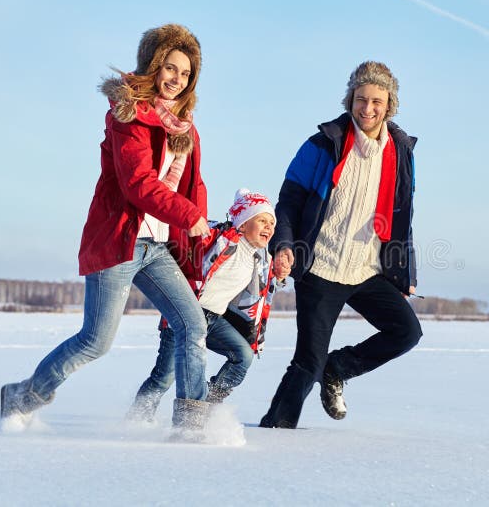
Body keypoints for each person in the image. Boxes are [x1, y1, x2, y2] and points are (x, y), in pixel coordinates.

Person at [0, 24, 213, 439]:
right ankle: (22, 397)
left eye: (185, 73)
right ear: (152, 65)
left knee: (193, 325)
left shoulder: (184, 127)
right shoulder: (128, 115)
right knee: (95, 341)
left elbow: (194, 185)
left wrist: (196, 232)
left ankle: (191, 427)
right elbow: (137, 183)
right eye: (169, 68)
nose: (177, 79)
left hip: (157, 246)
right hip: (120, 240)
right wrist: (188, 215)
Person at [259, 61, 422, 429]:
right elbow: (289, 201)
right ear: (350, 99)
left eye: (377, 100)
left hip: (367, 269)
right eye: (361, 99)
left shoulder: (401, 155)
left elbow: (402, 218)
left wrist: (403, 270)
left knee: (406, 332)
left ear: (389, 104)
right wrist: (284, 244)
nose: (368, 108)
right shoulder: (323, 144)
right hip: (322, 267)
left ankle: (338, 368)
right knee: (306, 363)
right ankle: (276, 430)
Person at [126, 189, 281, 422]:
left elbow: (263, 292)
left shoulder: (260, 258)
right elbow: (185, 236)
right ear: (243, 222)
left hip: (213, 320)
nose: (269, 226)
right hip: (182, 314)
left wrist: (280, 270)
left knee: (243, 355)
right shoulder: (218, 237)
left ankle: (206, 404)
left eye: (272, 222)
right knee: (164, 377)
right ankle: (137, 419)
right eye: (262, 220)